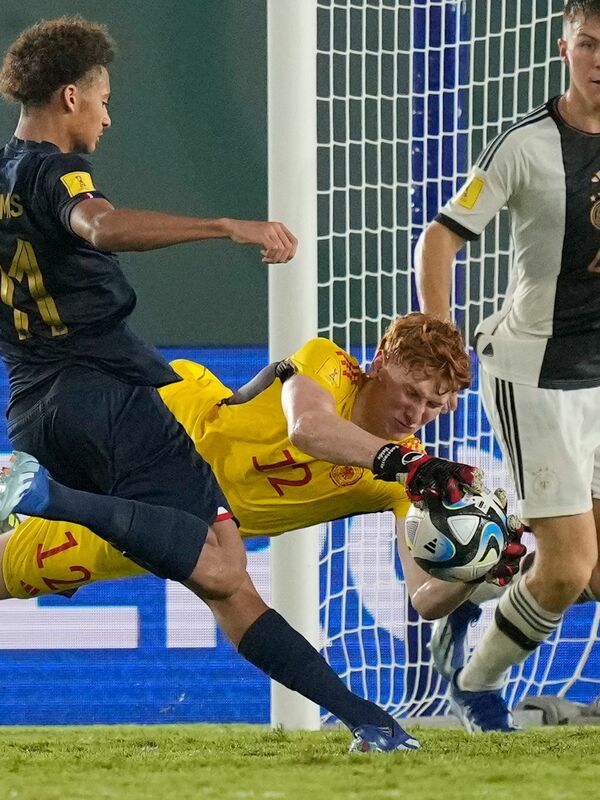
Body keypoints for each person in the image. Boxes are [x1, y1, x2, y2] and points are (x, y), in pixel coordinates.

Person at [0, 16, 453, 753]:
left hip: (32, 409)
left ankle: (367, 720)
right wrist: (224, 226)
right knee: (222, 567)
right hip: (101, 397)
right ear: (71, 95)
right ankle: (48, 498)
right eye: (105, 99)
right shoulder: (57, 173)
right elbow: (102, 227)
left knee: (226, 584)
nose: (110, 116)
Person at [0, 313, 523, 623]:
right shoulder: (330, 365)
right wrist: (408, 462)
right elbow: (308, 430)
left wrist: (476, 573)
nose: (416, 414)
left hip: (178, 518)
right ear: (381, 361)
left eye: (433, 406)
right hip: (162, 420)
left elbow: (424, 599)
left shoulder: (404, 483)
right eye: (411, 392)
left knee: (8, 569)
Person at [415, 0, 600, 733]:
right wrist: (441, 337)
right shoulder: (524, 145)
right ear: (564, 49)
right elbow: (438, 240)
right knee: (566, 570)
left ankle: (476, 588)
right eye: (588, 44)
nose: (599, 60)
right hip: (533, 375)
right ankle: (470, 681)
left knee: (590, 570)